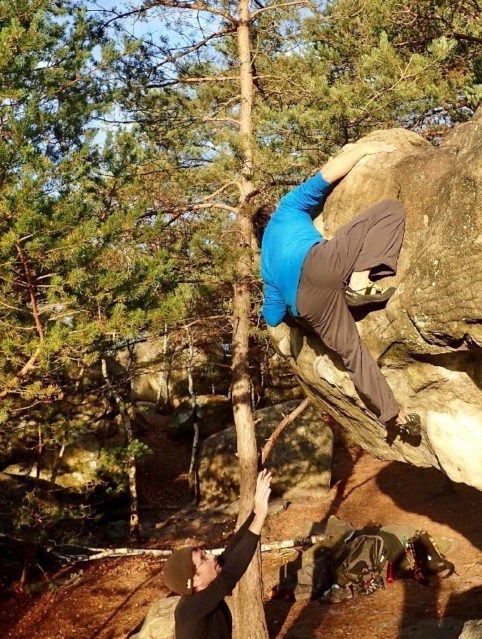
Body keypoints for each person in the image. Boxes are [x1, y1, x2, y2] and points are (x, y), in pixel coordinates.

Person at [258, 142, 421, 438]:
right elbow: (327, 175)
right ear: (271, 213)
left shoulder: (265, 261)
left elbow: (271, 316)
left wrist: (292, 321)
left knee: (353, 354)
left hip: (308, 305)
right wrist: (364, 150)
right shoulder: (287, 208)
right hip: (320, 264)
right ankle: (359, 284)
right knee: (389, 210)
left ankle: (394, 414)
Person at [162, 469, 272, 639]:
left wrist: (256, 512)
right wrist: (260, 518)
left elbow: (230, 553)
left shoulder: (202, 593)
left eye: (205, 553)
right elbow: (230, 574)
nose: (212, 557)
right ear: (195, 580)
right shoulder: (190, 610)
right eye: (203, 559)